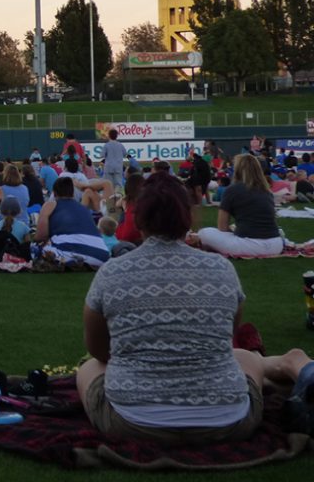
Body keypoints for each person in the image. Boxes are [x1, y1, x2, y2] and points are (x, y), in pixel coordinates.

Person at [77, 171, 314, 444]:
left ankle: (290, 367)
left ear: (138, 217)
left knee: (90, 367)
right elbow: (225, 339)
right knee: (244, 357)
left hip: (132, 423)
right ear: (187, 216)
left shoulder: (112, 272)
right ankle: (294, 364)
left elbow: (98, 350)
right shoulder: (221, 268)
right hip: (228, 420)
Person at [196, 154, 283, 257]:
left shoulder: (232, 190)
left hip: (250, 245)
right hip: (276, 244)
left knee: (204, 233)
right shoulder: (266, 190)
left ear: (237, 170)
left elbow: (222, 227)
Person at [35, 176, 109, 267]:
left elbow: (41, 236)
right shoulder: (83, 208)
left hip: (68, 252)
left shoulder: (50, 205)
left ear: (54, 193)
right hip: (101, 255)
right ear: (72, 193)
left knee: (35, 248)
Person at [114, 173, 144, 244]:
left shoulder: (126, 200)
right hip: (140, 236)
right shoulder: (146, 200)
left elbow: (117, 204)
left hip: (124, 237)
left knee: (123, 214)